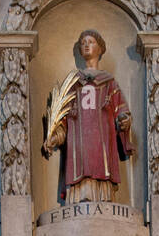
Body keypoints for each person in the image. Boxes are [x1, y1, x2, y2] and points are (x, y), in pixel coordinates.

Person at [43, 29, 135, 203]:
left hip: (102, 139)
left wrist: (124, 120)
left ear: (100, 49)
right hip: (78, 141)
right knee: (81, 166)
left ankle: (103, 196)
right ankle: (79, 197)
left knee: (101, 163)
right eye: (83, 42)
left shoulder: (108, 81)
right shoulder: (72, 82)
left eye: (91, 42)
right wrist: (55, 136)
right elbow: (62, 117)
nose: (86, 45)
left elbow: (120, 110)